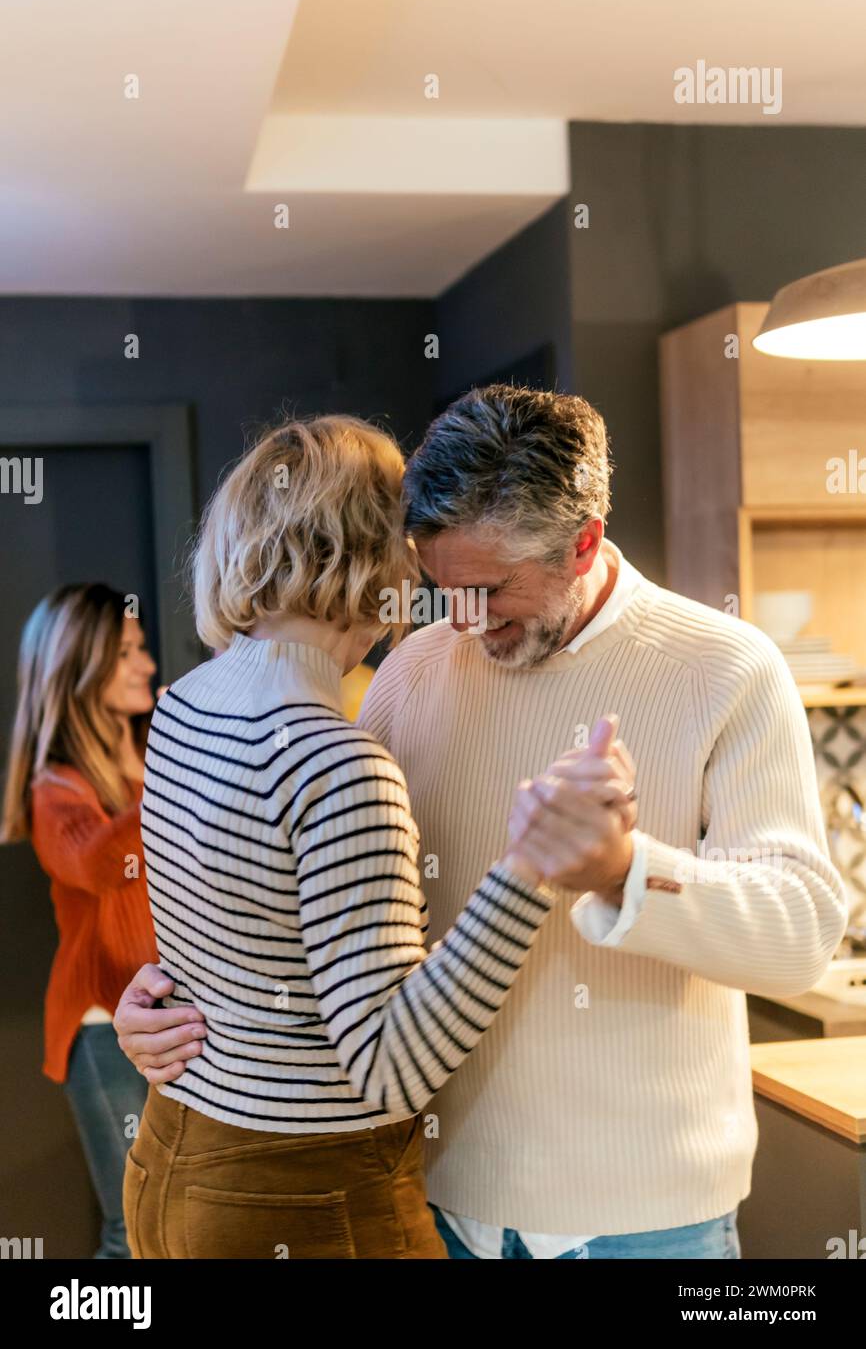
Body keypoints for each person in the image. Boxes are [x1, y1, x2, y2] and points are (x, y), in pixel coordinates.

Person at [118, 385, 846, 1260]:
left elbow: (803, 933)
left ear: (582, 543)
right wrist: (173, 992)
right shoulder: (414, 670)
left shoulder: (727, 667)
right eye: (437, 586)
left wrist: (624, 869)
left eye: (491, 588)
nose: (459, 619)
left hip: (649, 1220)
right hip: (447, 1200)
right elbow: (310, 886)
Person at [116, 413, 635, 1260]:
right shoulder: (337, 763)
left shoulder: (181, 708)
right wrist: (529, 867)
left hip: (177, 1155)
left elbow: (235, 941)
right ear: (384, 559)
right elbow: (391, 1067)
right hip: (307, 1192)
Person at [1, 584, 159, 1257]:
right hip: (102, 1030)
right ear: (81, 666)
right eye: (127, 653)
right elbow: (98, 866)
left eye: (143, 647)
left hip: (166, 1017)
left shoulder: (154, 758)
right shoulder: (56, 787)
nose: (148, 664)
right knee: (133, 1230)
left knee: (171, 1220)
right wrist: (174, 788)